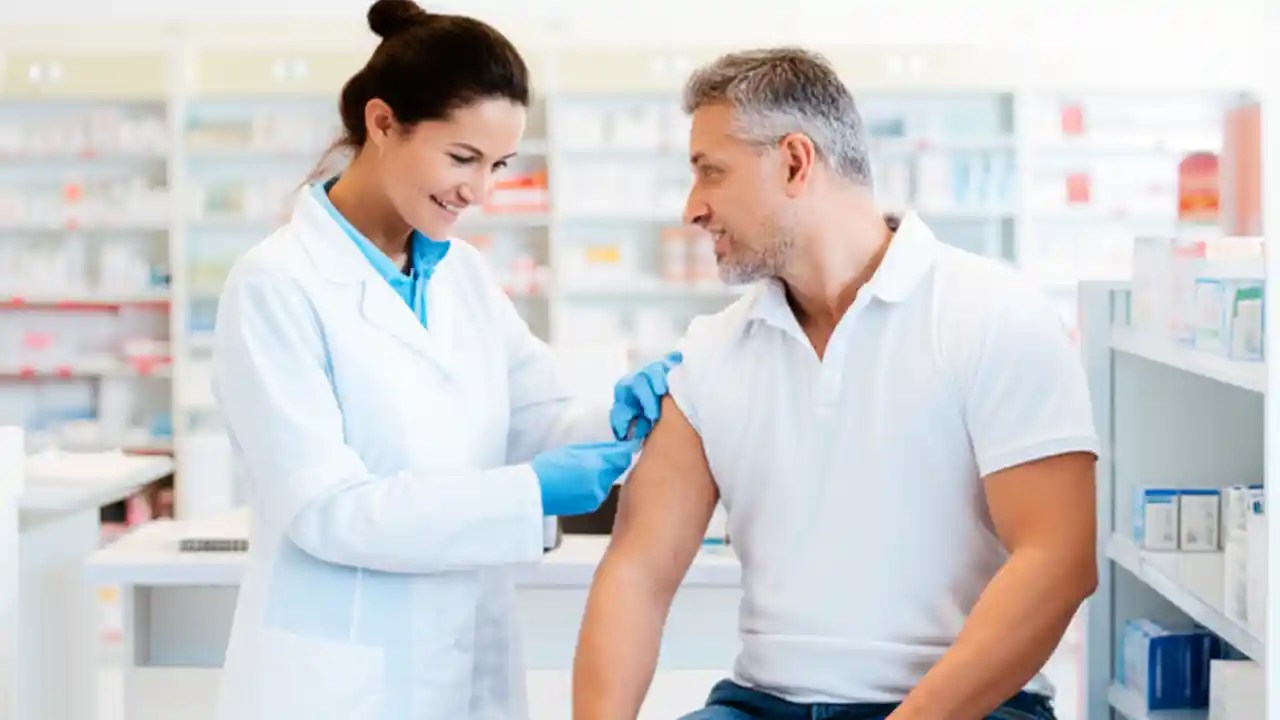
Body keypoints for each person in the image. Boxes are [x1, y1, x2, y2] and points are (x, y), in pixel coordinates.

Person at [573, 48, 1099, 720]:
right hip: (764, 705)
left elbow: (1059, 558)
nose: (692, 209)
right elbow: (639, 572)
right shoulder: (711, 352)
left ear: (795, 161)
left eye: (711, 172)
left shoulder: (992, 315)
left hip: (963, 707)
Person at [210, 2, 680, 718]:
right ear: (381, 123)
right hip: (341, 682)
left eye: (498, 165)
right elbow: (327, 509)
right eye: (462, 158)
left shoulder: (460, 273)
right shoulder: (277, 283)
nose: (480, 191)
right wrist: (530, 494)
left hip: (466, 662)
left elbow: (535, 422)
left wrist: (616, 417)